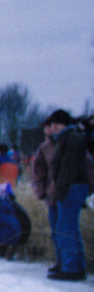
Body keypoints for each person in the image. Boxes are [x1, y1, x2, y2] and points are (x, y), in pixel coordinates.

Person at [44, 110, 89, 281]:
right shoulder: (69, 138)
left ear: (56, 124)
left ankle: (71, 268)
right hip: (72, 188)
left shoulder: (71, 139)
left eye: (53, 124)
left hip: (72, 188)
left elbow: (67, 169)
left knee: (65, 229)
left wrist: (60, 192)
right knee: (69, 229)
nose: (52, 128)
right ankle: (76, 267)